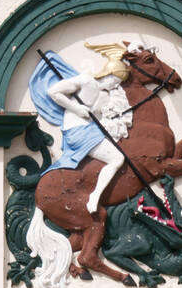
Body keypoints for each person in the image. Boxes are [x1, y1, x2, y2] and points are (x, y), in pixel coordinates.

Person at [29, 42, 133, 213]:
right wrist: (75, 108)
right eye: (115, 79)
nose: (115, 85)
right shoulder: (85, 81)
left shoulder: (107, 97)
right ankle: (94, 197)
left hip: (91, 131)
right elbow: (54, 92)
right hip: (77, 132)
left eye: (119, 83)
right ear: (107, 73)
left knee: (117, 156)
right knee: (117, 159)